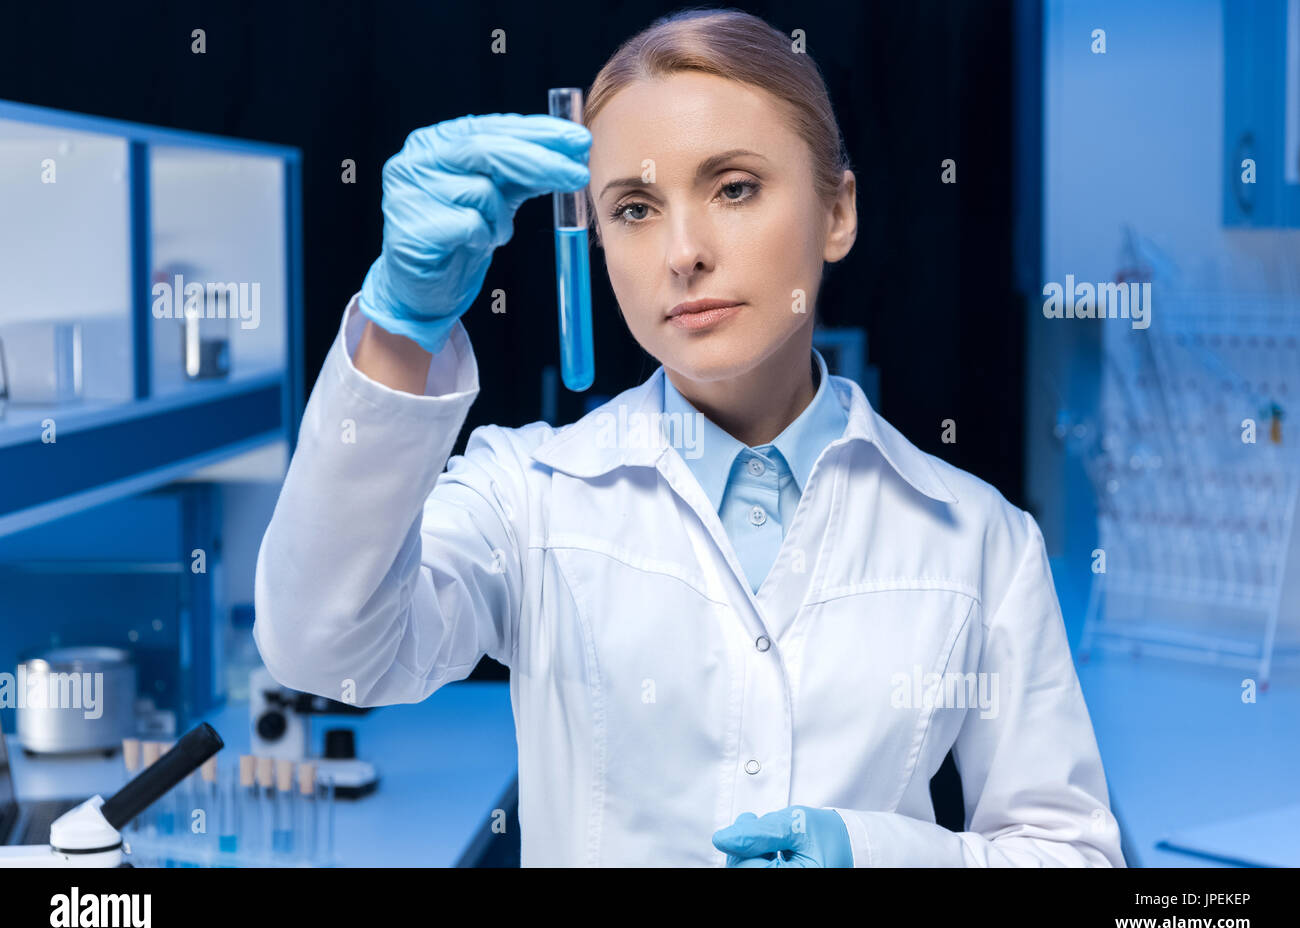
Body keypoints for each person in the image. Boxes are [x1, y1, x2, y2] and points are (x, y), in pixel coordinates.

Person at [254, 8, 1124, 867]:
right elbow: (327, 647)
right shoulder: (527, 495)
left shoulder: (981, 540)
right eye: (633, 207)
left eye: (734, 187)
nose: (683, 251)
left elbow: (1071, 854)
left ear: (838, 212)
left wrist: (877, 856)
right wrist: (400, 329)